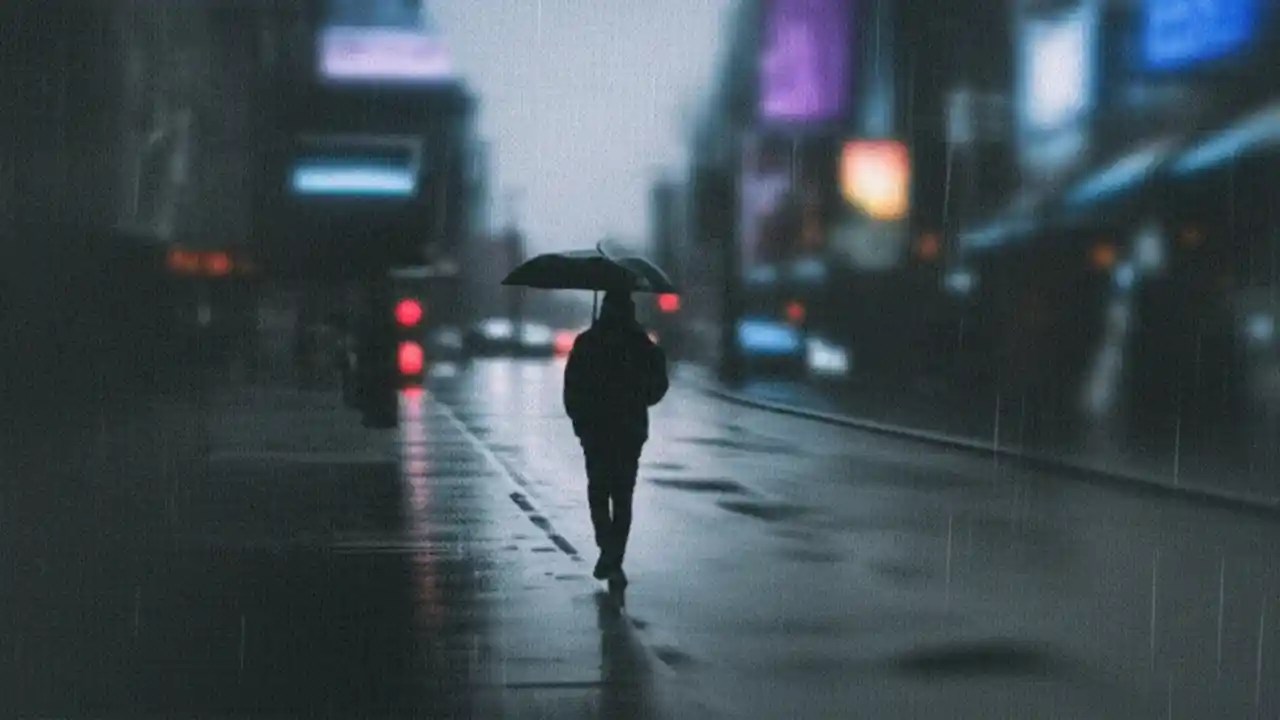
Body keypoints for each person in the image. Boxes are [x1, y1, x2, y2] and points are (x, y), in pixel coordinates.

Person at [563, 290, 669, 586]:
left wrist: (580, 421)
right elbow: (658, 386)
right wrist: (638, 398)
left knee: (598, 491)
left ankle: (607, 549)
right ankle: (614, 556)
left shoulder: (588, 342)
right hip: (629, 430)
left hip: (596, 430)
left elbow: (572, 388)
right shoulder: (640, 343)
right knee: (622, 495)